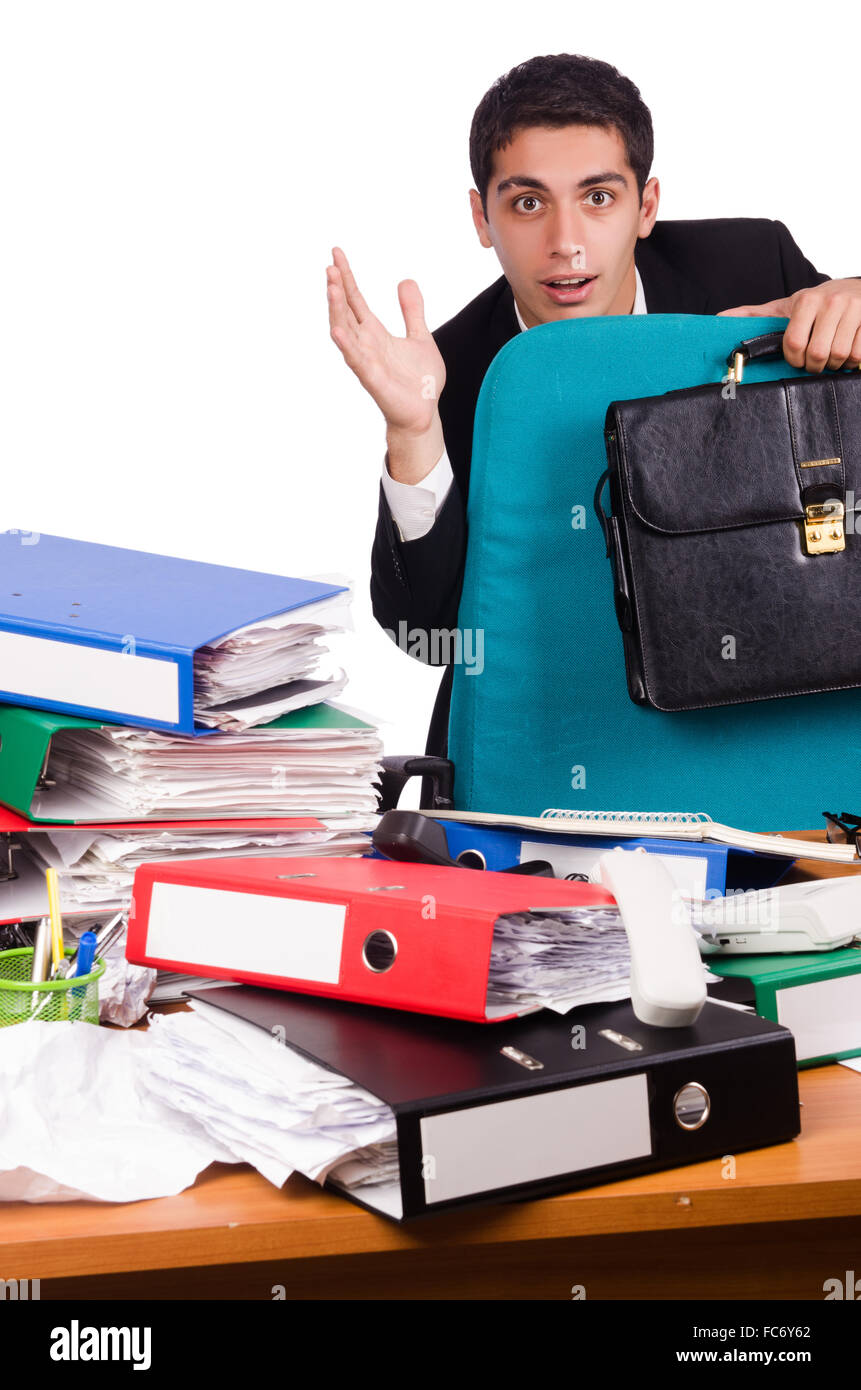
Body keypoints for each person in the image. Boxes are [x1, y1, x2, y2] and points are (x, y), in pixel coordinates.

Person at [327, 52, 861, 766]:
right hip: (548, 728)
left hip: (770, 700)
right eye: (526, 203)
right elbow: (427, 631)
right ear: (481, 218)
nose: (565, 241)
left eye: (598, 198)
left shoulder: (751, 265)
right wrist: (412, 430)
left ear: (645, 207)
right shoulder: (443, 368)